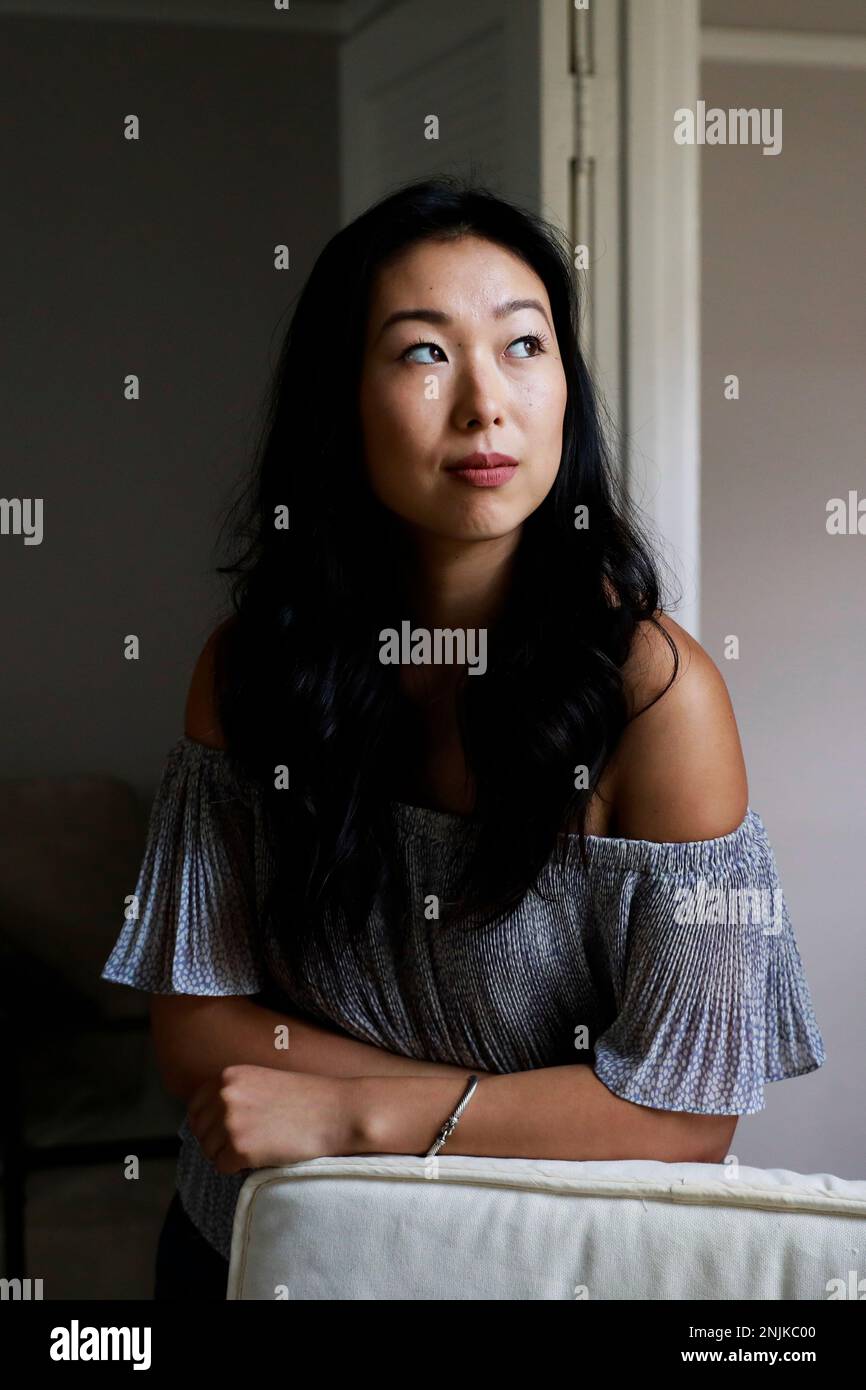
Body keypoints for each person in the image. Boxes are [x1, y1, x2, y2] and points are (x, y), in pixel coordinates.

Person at [101, 176, 826, 1301]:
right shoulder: (249, 670)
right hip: (260, 1245)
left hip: (523, 1273)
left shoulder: (657, 699)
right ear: (338, 400)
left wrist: (350, 1109)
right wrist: (531, 1106)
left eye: (524, 345)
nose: (485, 402)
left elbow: (684, 1112)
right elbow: (199, 1024)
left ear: (564, 392)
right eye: (422, 353)